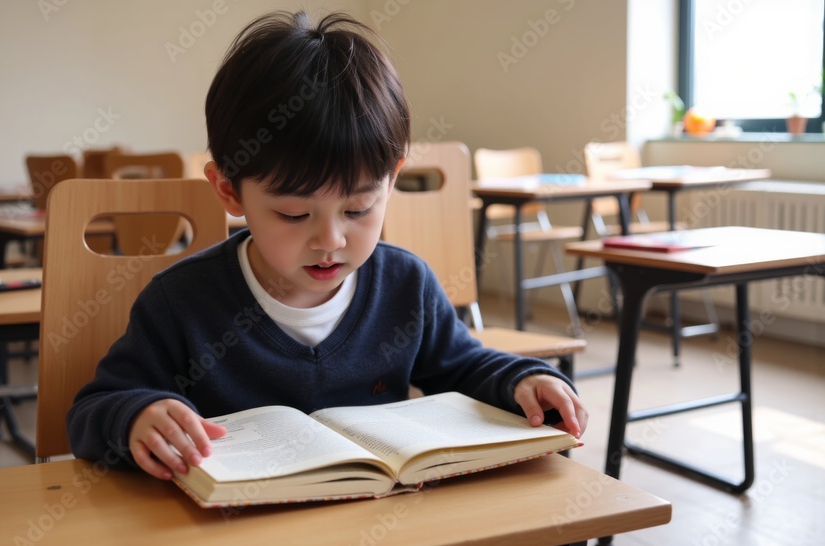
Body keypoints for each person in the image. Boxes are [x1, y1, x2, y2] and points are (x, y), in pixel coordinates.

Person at [67, 10, 587, 481]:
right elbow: (94, 409)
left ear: (391, 181)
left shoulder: (405, 284)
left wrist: (522, 379)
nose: (331, 241)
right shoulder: (180, 303)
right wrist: (135, 416)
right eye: (294, 214)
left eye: (359, 210)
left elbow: (465, 365)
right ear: (229, 190)